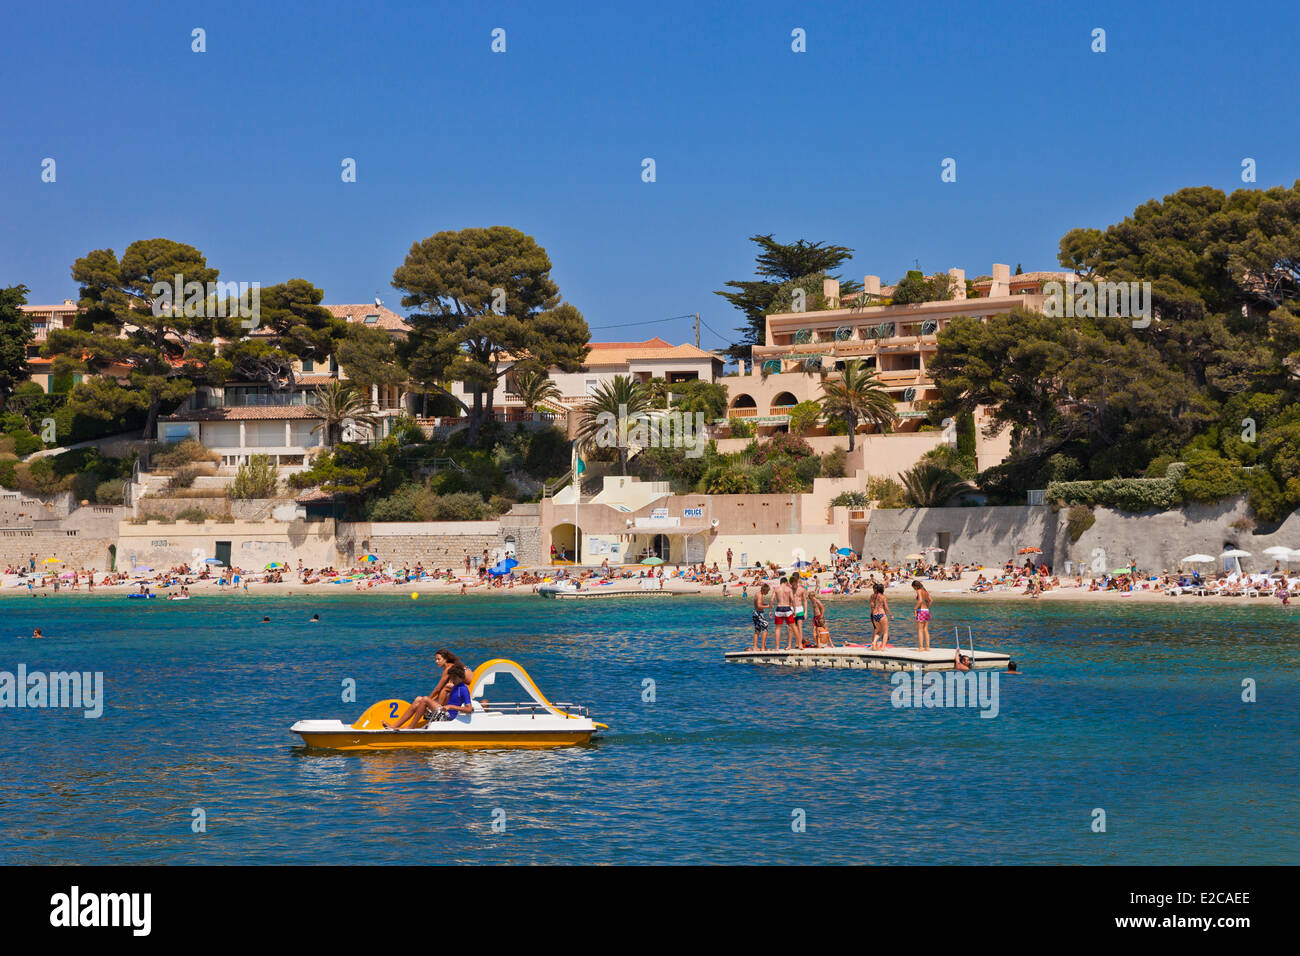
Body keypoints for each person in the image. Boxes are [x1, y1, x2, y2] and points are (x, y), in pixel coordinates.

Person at [771, 576, 795, 650]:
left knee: (778, 629)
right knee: (790, 627)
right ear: (786, 582)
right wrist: (795, 611)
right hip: (787, 608)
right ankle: (789, 646)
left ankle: (777, 647)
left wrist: (770, 610)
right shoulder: (789, 589)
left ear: (780, 582)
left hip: (779, 608)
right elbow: (793, 600)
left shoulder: (776, 589)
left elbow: (771, 600)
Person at [869, 583, 891, 649]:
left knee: (878, 631)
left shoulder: (872, 596)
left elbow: (872, 606)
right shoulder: (883, 596)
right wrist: (890, 615)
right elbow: (886, 607)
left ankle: (874, 642)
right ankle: (883, 647)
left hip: (874, 615)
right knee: (886, 632)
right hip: (882, 614)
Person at [912, 580, 932, 650]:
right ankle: (927, 647)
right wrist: (927, 607)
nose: (914, 589)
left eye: (913, 588)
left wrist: (915, 609)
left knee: (920, 630)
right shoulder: (925, 591)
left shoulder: (919, 591)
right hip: (926, 611)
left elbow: (920, 601)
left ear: (915, 586)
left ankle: (921, 647)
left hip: (920, 611)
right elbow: (931, 600)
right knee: (926, 630)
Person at [752, 583, 772, 650]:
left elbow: (759, 604)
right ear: (764, 590)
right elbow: (759, 606)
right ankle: (763, 647)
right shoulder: (760, 595)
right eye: (767, 591)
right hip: (759, 614)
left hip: (755, 613)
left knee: (757, 630)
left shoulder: (757, 593)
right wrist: (768, 606)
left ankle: (755, 647)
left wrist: (766, 604)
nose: (767, 593)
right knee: (765, 627)